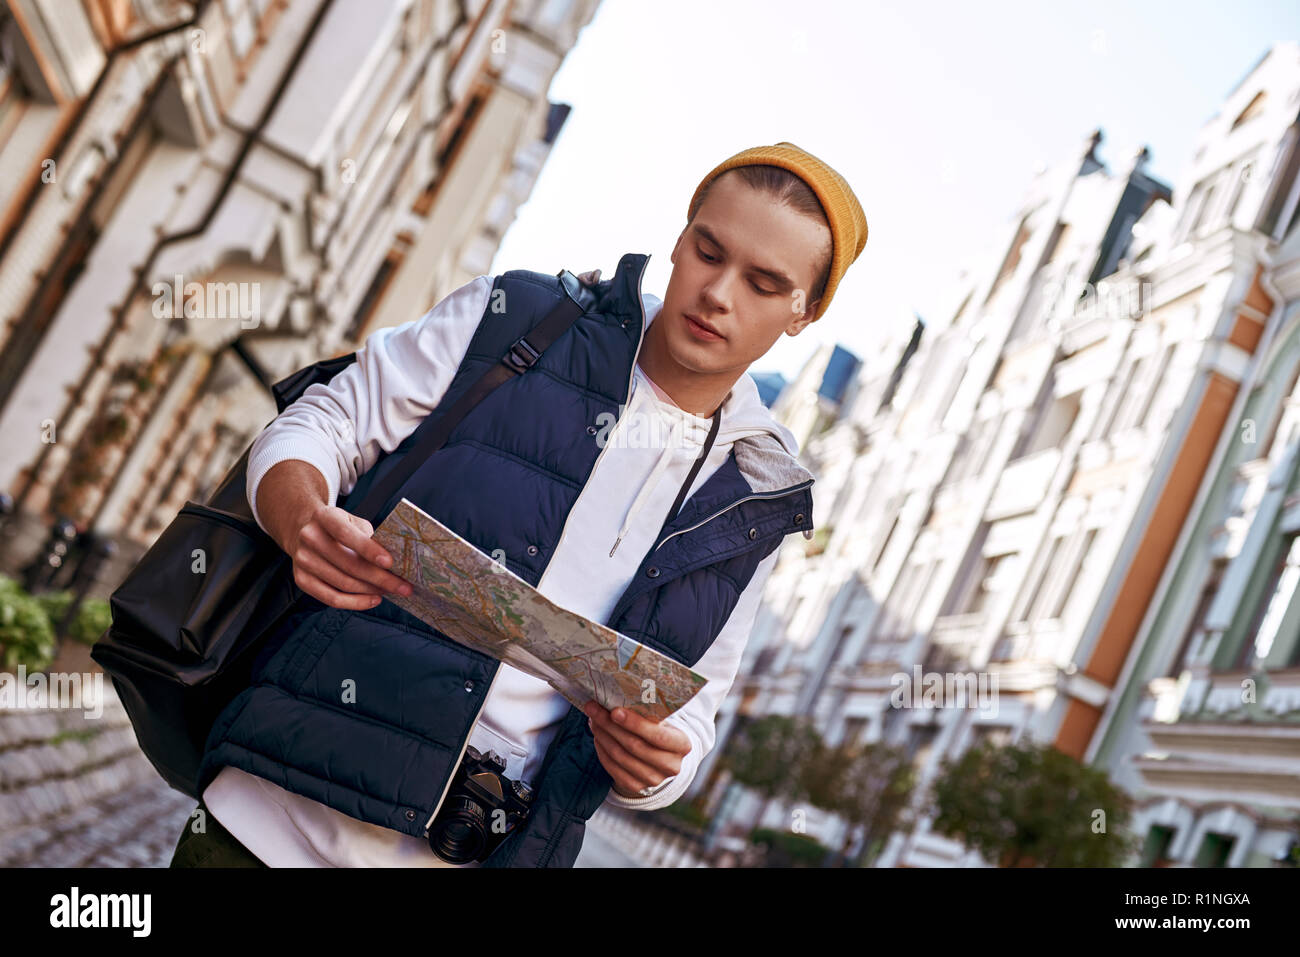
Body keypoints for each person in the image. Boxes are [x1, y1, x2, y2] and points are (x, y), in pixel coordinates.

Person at [168, 141, 867, 867]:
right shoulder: (522, 318)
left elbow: (692, 712)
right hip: (274, 814)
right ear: (680, 238)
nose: (718, 292)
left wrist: (658, 763)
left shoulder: (755, 494)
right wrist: (303, 517)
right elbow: (322, 422)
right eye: (708, 250)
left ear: (803, 312)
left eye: (762, 282)